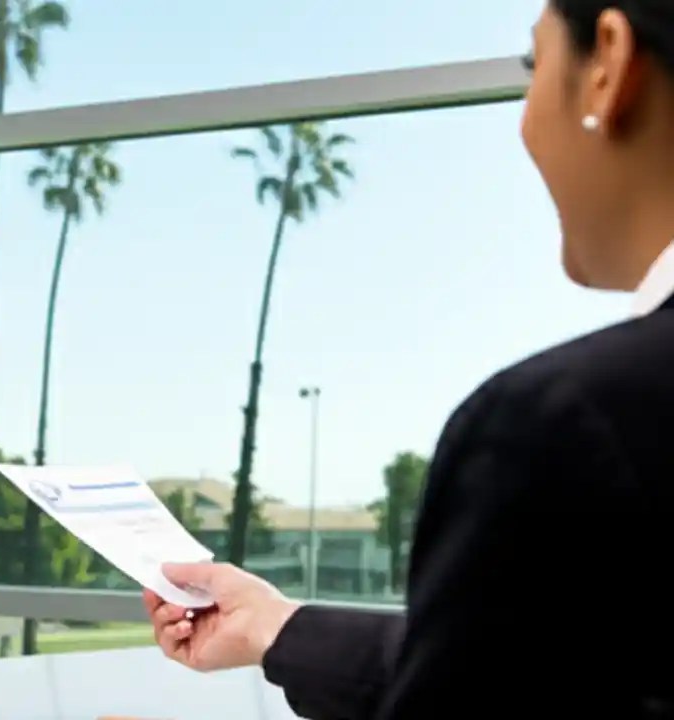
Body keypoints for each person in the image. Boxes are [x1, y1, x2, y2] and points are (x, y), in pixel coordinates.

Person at [144, 1, 674, 717]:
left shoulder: (560, 424)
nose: (523, 116)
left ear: (608, 64)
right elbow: (529, 675)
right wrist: (275, 627)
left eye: (533, 65)